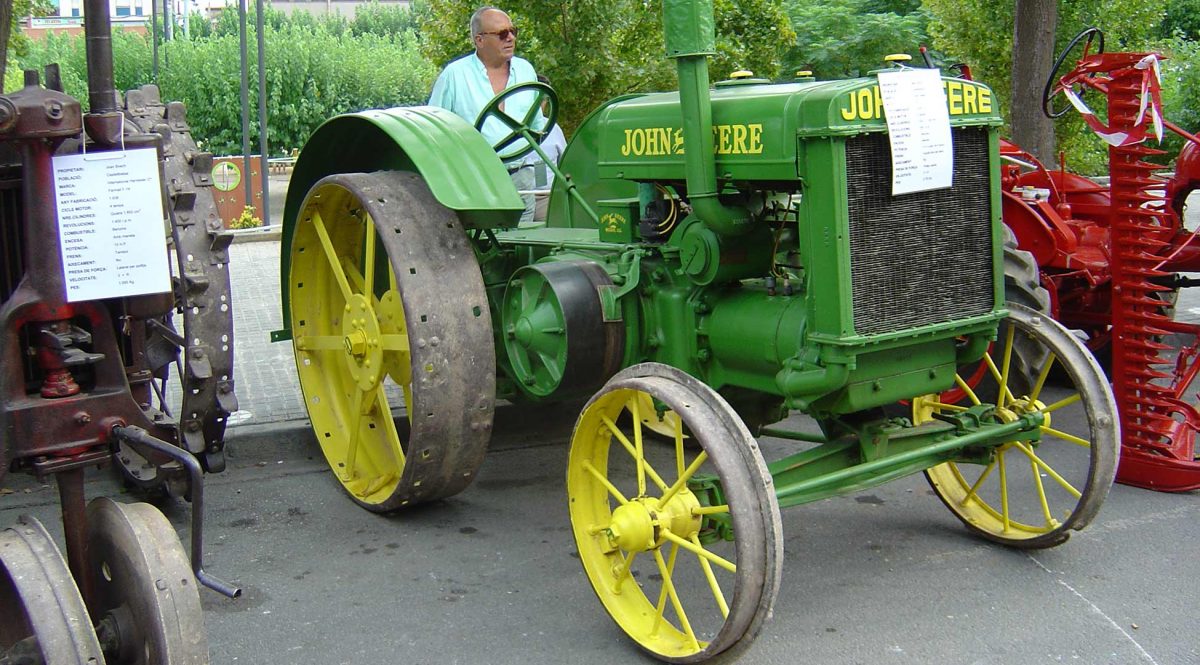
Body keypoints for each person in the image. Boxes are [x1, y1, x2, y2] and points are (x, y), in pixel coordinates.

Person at [428, 6, 542, 223]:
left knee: (523, 245)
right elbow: (434, 130)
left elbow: (537, 126)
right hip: (476, 180)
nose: (510, 38)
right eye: (501, 34)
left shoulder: (526, 70)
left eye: (513, 31)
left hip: (521, 177)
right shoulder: (455, 75)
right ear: (479, 40)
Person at [525, 75, 567, 222]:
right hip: (519, 196)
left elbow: (566, 165)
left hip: (546, 196)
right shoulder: (503, 128)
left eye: (543, 100)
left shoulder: (553, 128)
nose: (539, 104)